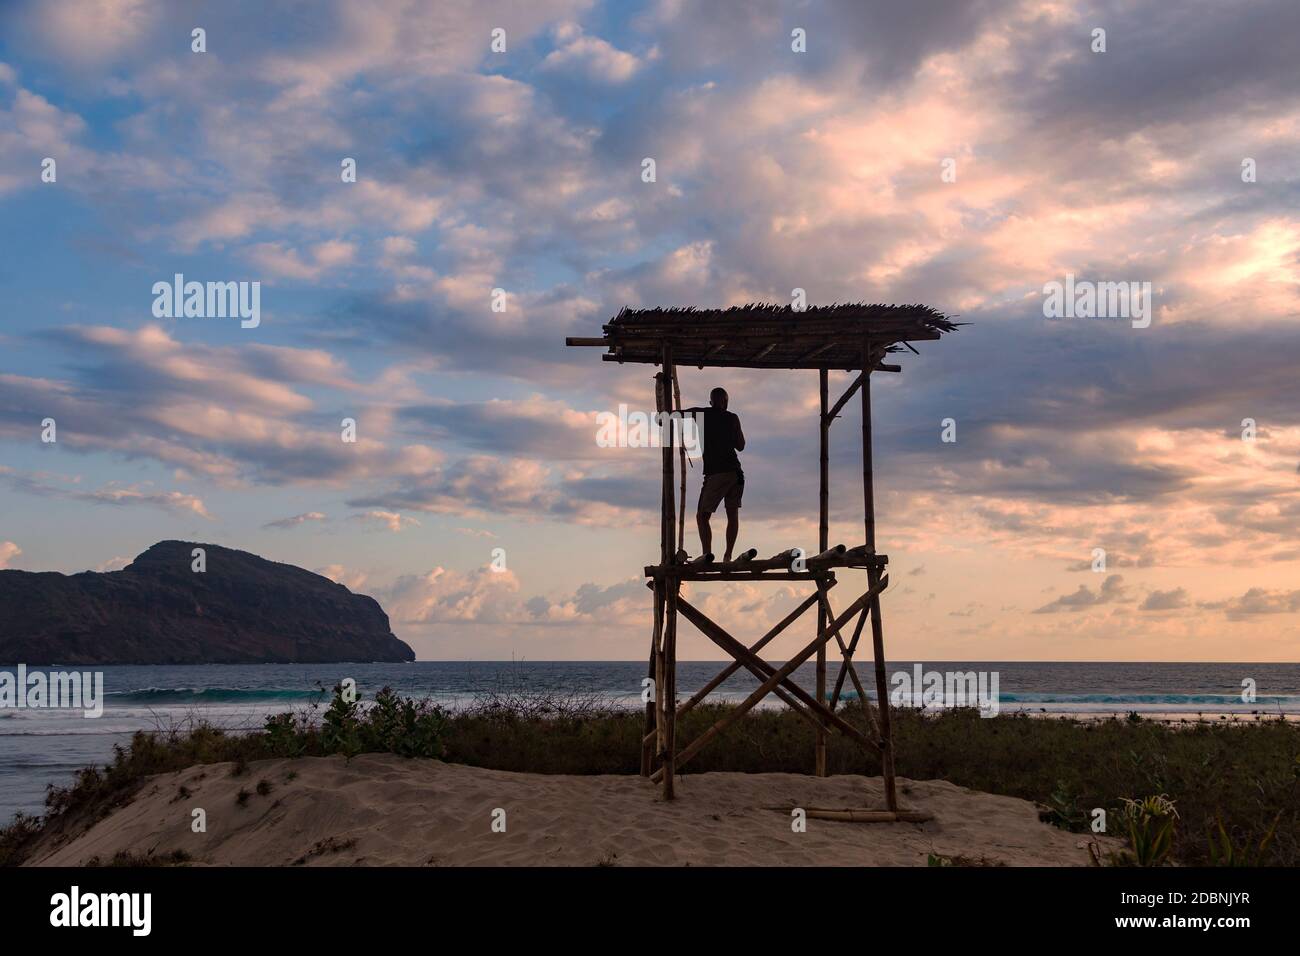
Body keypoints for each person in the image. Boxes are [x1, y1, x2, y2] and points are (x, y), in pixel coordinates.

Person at [684, 387, 745, 562]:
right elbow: (741, 445)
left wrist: (663, 417)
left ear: (711, 402)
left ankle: (706, 554)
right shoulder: (732, 418)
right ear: (726, 401)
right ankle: (728, 555)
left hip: (718, 473)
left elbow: (679, 415)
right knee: (732, 514)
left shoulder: (703, 414)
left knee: (702, 516)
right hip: (736, 474)